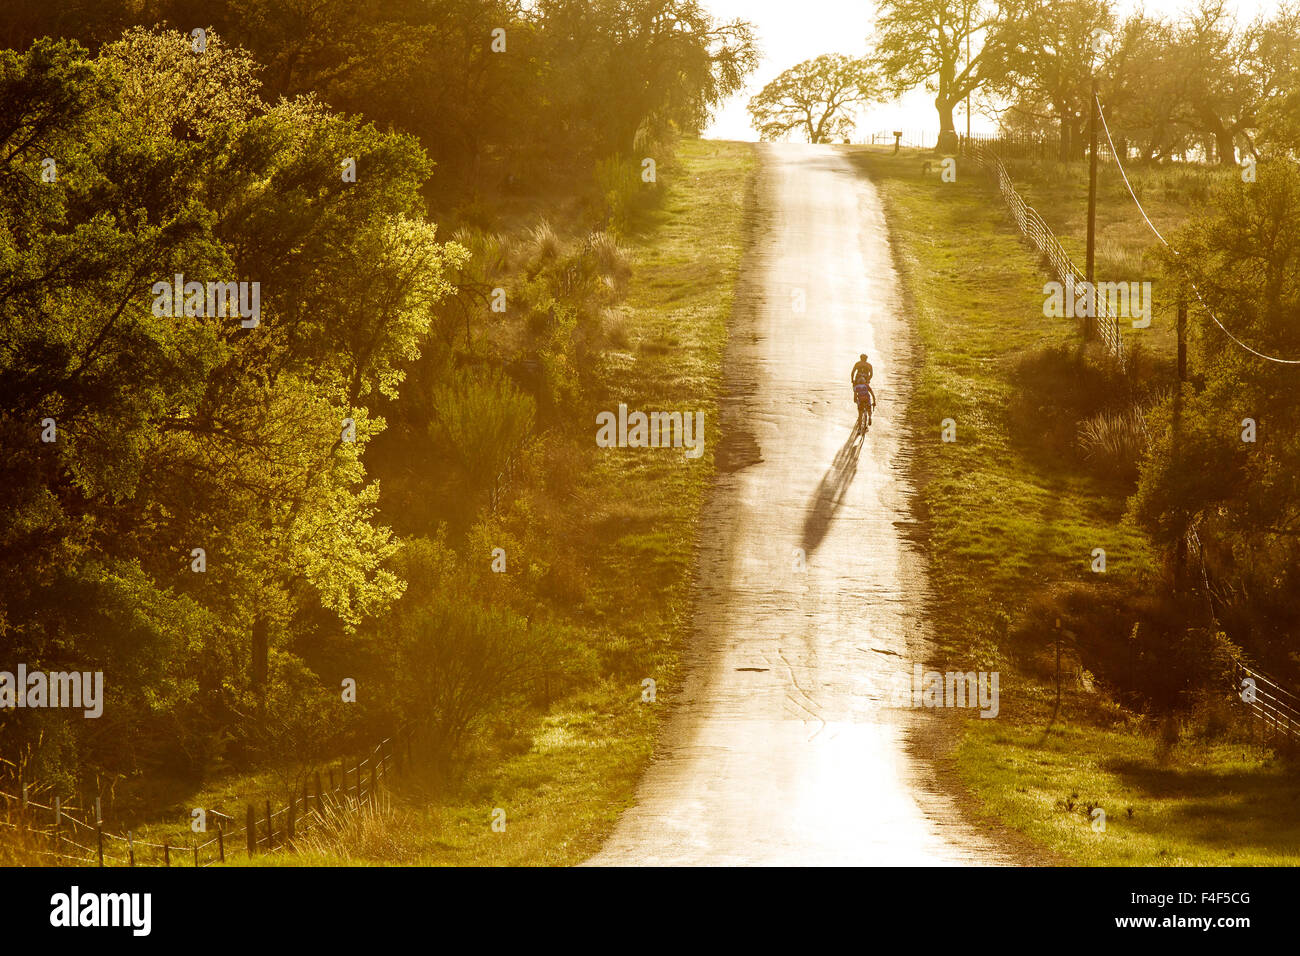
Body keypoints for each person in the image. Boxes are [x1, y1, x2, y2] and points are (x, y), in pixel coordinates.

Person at [851, 354, 875, 425]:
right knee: (866, 391)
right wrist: (868, 379)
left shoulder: (857, 364)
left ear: (860, 358)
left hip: (858, 380)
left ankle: (857, 402)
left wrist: (852, 380)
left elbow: (852, 372)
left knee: (856, 391)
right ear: (866, 359)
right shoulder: (869, 365)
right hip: (865, 380)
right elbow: (871, 374)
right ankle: (868, 410)